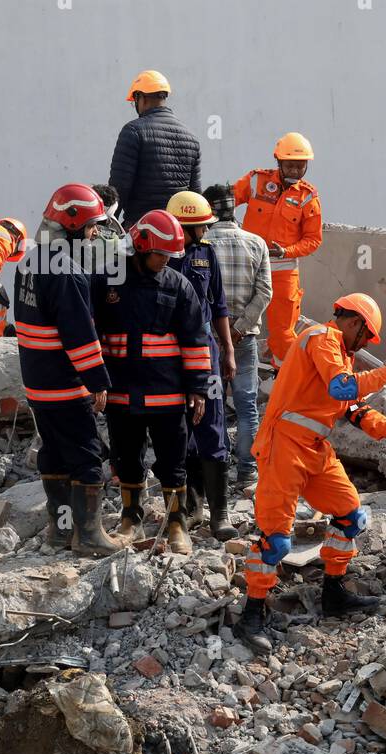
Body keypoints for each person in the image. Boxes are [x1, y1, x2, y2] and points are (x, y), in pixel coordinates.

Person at [237, 295, 386, 650]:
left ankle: (334, 594)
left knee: (351, 517)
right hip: (284, 445)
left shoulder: (339, 354)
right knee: (276, 540)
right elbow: (343, 388)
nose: (365, 344)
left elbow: (355, 410)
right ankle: (252, 613)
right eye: (366, 337)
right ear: (354, 323)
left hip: (315, 448)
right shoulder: (321, 339)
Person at [97, 209, 210, 556]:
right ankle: (131, 517)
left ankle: (176, 522)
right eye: (160, 254)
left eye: (169, 255)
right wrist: (94, 381)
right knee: (126, 456)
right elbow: (94, 333)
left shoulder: (179, 287)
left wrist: (199, 389)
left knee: (172, 460)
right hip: (121, 391)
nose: (165, 260)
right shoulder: (108, 282)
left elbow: (196, 339)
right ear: (141, 247)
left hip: (167, 393)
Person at [13, 184, 117, 555]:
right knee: (87, 456)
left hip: (37, 384)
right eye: (91, 227)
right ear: (72, 226)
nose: (94, 235)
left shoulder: (28, 262)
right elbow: (79, 336)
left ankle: (60, 532)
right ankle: (90, 537)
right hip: (65, 385)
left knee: (54, 454)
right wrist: (97, 381)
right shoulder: (68, 273)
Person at [167, 192, 237, 540]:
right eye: (198, 227)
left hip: (205, 351)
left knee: (211, 425)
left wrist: (227, 351)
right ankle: (191, 507)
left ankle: (219, 514)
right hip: (169, 354)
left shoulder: (206, 253)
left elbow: (219, 304)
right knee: (180, 431)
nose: (204, 232)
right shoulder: (159, 257)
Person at [233, 132, 323, 366]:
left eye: (300, 166)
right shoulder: (257, 181)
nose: (295, 171)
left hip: (283, 274)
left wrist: (287, 251)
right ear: (279, 162)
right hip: (248, 268)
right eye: (290, 165)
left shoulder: (307, 197)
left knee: (283, 335)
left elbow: (313, 239)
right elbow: (227, 199)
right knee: (236, 324)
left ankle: (284, 382)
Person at [202, 184, 272, 487]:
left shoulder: (200, 245)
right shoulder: (257, 243)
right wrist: (239, 329)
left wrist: (218, 332)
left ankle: (212, 473)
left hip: (207, 339)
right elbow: (265, 293)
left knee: (207, 403)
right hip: (245, 340)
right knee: (246, 407)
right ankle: (246, 471)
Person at [108, 70, 201, 221]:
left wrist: (108, 223)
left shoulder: (133, 131)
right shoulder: (191, 138)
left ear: (140, 97)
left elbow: (119, 188)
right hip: (179, 232)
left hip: (142, 231)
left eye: (134, 101)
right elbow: (195, 194)